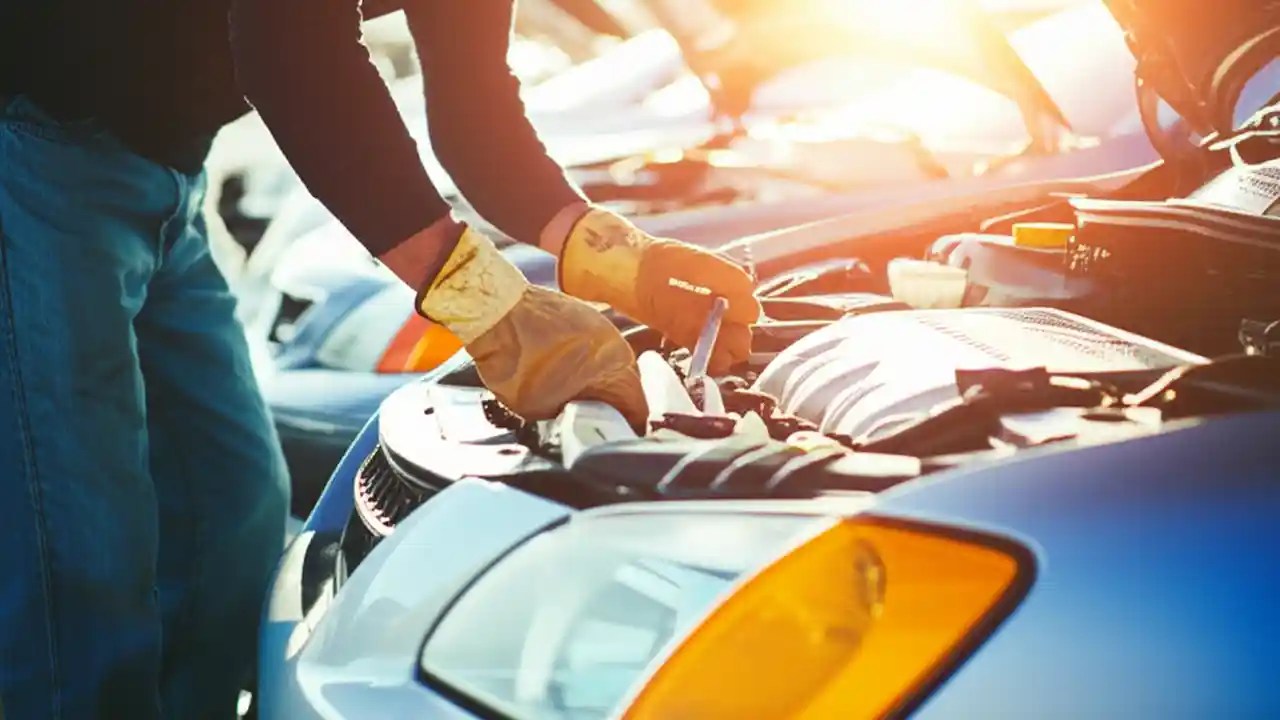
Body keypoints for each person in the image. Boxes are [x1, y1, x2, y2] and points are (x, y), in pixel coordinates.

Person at [0, 1, 758, 718]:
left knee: (228, 515)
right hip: (32, 152)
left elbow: (476, 116)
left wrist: (625, 262)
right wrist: (488, 309)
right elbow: (290, 50)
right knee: (77, 568)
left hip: (159, 171)